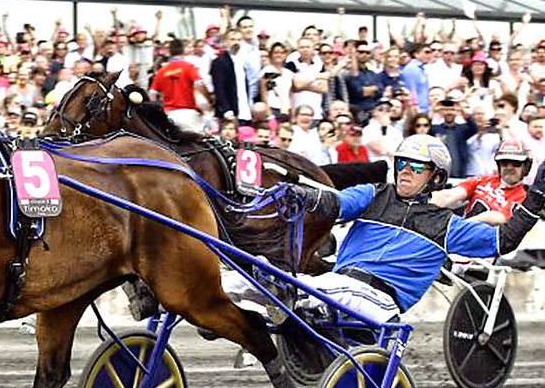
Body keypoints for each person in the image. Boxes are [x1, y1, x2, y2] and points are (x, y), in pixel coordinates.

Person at [225, 134, 545, 326]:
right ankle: (213, 298)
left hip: (379, 302)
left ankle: (289, 301)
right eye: (402, 163)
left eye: (416, 167)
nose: (406, 170)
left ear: (435, 177)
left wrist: (536, 199)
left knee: (316, 288)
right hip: (337, 288)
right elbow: (333, 204)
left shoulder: (446, 225)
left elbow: (503, 240)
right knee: (251, 274)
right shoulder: (372, 194)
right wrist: (303, 195)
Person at [432, 138, 529, 225]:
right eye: (504, 162)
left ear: (526, 166)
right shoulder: (483, 180)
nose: (509, 168)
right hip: (461, 233)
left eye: (516, 163)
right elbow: (450, 195)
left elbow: (497, 218)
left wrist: (462, 226)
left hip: (486, 239)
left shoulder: (523, 198)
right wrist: (427, 202)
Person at [149, 39, 210, 133]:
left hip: (170, 115)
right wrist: (209, 102)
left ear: (169, 51)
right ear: (183, 50)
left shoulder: (162, 71)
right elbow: (199, 85)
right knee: (201, 144)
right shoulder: (189, 67)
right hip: (189, 113)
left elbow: (152, 95)